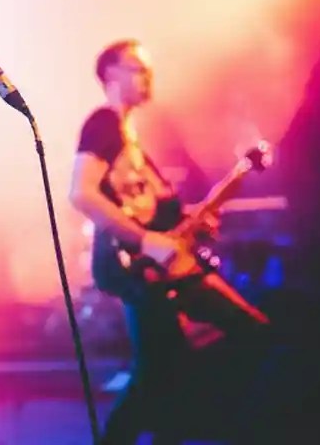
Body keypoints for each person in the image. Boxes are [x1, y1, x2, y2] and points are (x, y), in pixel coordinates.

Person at [69, 40, 272, 444]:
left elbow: (145, 207)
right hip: (142, 267)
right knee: (239, 337)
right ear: (110, 74)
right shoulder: (104, 123)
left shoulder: (128, 138)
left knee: (162, 371)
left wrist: (189, 220)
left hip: (155, 266)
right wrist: (146, 241)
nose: (148, 76)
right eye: (137, 67)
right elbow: (81, 193)